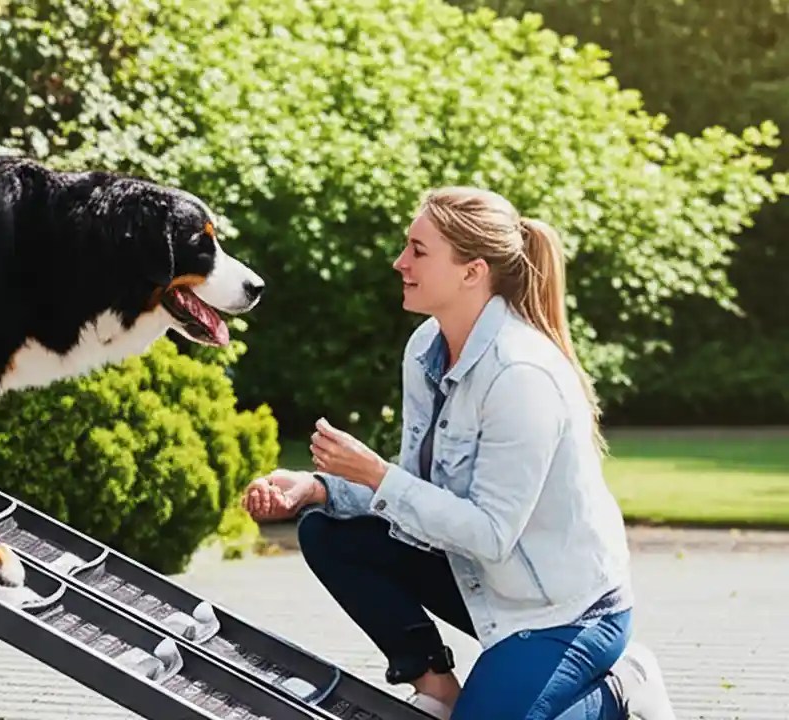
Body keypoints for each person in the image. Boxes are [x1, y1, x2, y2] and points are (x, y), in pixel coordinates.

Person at [242, 186, 676, 720]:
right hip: (483, 582)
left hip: (563, 612)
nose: (400, 262)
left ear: (472, 271)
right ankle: (437, 688)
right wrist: (319, 487)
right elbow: (423, 492)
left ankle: (622, 691)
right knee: (327, 529)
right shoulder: (426, 346)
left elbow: (492, 534)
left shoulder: (520, 375)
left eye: (419, 251)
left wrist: (377, 475)